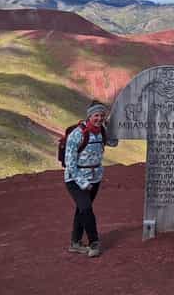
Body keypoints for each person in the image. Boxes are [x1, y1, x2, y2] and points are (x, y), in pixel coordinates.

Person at [64, 100, 113, 258]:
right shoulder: (77, 134)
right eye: (96, 115)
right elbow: (69, 162)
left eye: (102, 115)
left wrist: (111, 126)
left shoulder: (102, 131)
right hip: (75, 180)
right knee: (86, 209)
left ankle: (75, 243)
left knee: (81, 210)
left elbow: (114, 142)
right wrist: (83, 183)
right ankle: (94, 242)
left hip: (95, 178)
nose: (99, 118)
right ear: (89, 116)